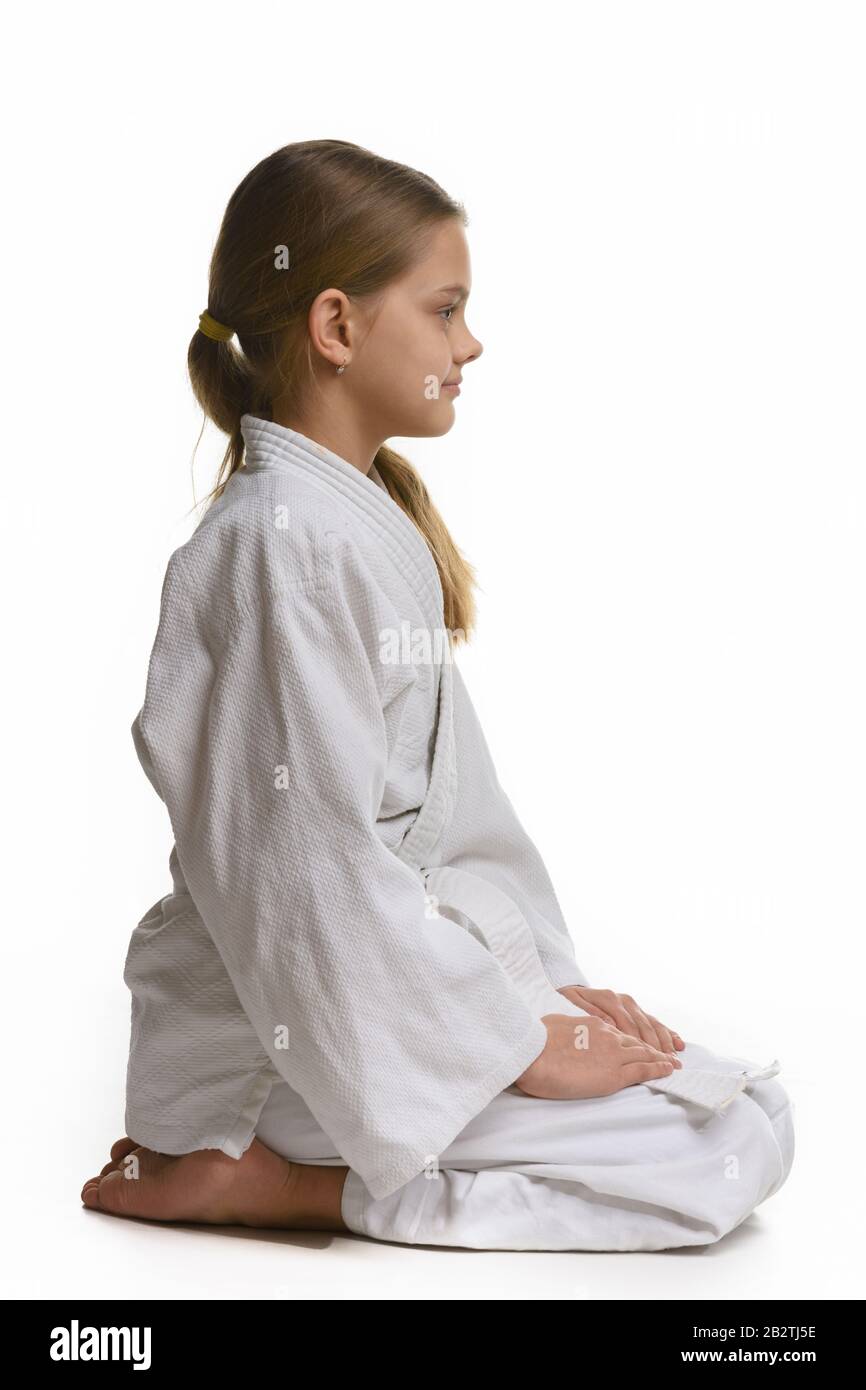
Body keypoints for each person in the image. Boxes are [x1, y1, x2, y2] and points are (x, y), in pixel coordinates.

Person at [81, 140, 794, 1251]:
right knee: (720, 1147)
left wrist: (538, 994)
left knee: (745, 1108)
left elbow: (446, 833)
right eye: (446, 309)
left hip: (393, 1009)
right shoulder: (281, 551)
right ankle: (271, 1181)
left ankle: (294, 1167)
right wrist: (511, 1039)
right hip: (293, 1048)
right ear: (338, 327)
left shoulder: (343, 529)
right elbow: (299, 875)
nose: (469, 344)